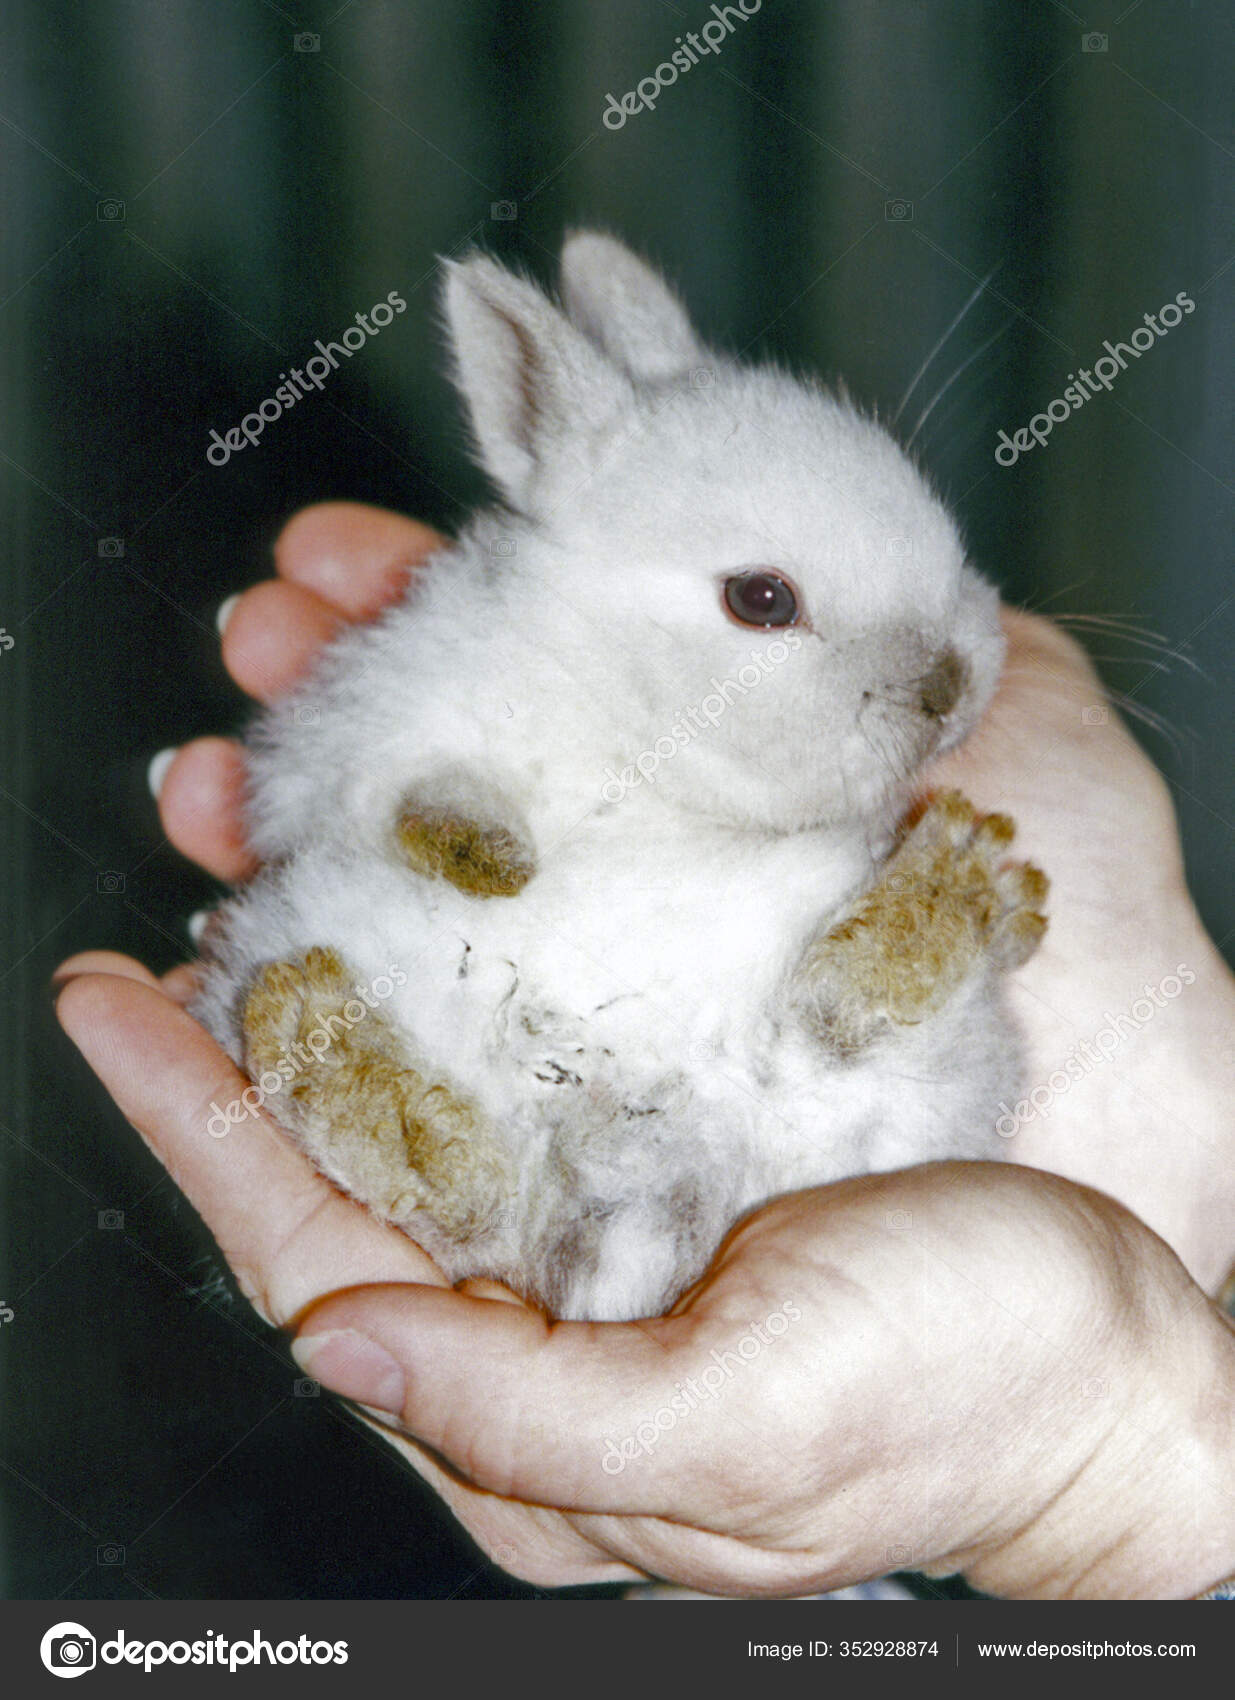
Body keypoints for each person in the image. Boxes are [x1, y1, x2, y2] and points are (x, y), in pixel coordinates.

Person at [55, 502, 1235, 1599]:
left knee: (856, 1029)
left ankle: (855, 1001)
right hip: (538, 1025)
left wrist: (1105, 1457)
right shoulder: (486, 636)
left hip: (761, 1093)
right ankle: (465, 1184)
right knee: (354, 938)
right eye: (763, 599)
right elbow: (313, 796)